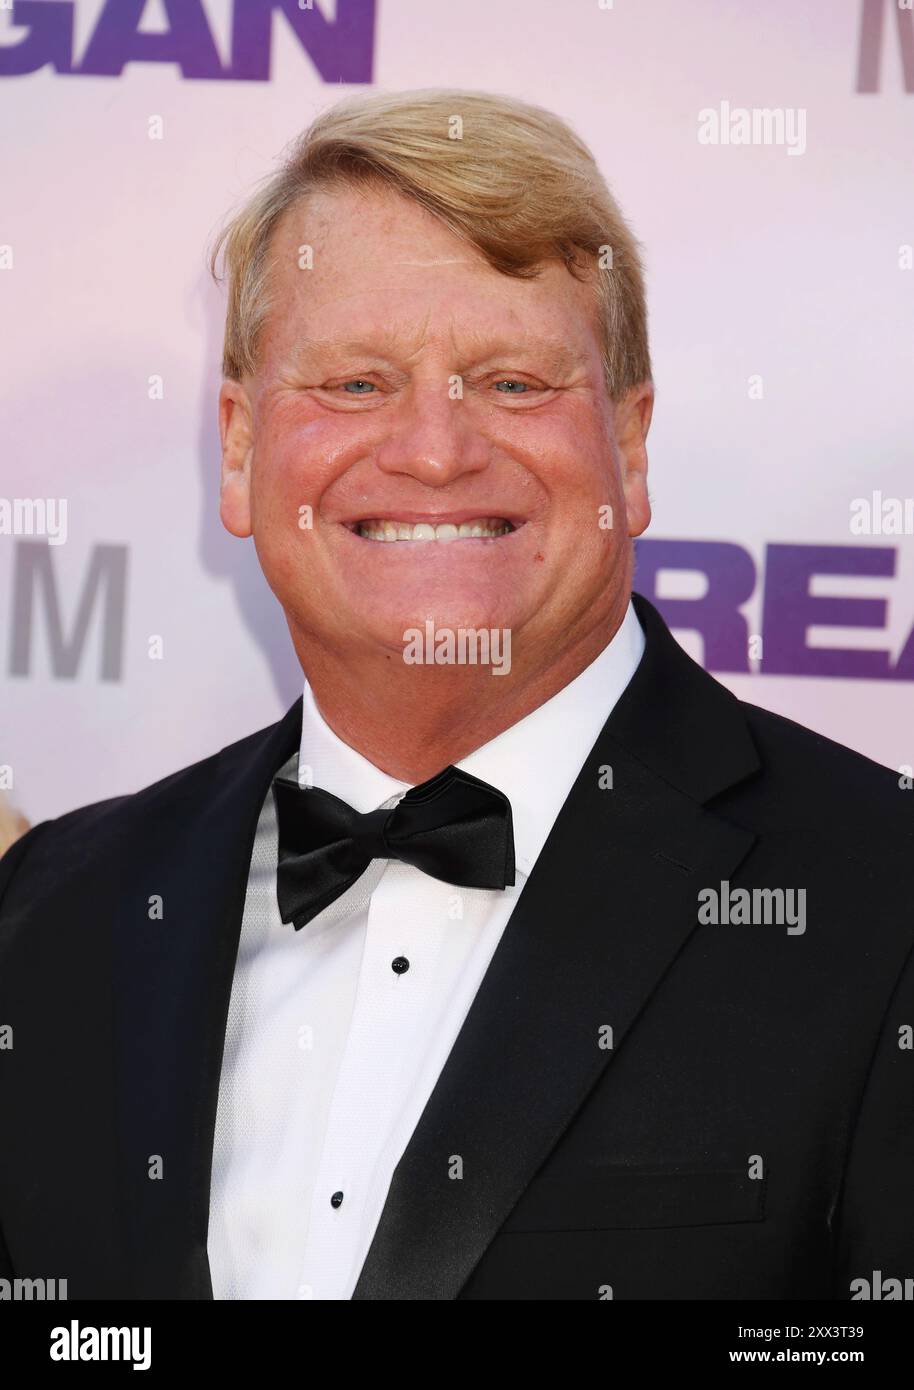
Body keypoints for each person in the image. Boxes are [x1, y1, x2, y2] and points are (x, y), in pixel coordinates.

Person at [1, 89, 911, 1302]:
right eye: (356, 384)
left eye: (513, 383)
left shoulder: (881, 901)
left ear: (628, 450)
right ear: (235, 449)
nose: (434, 449)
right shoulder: (53, 918)